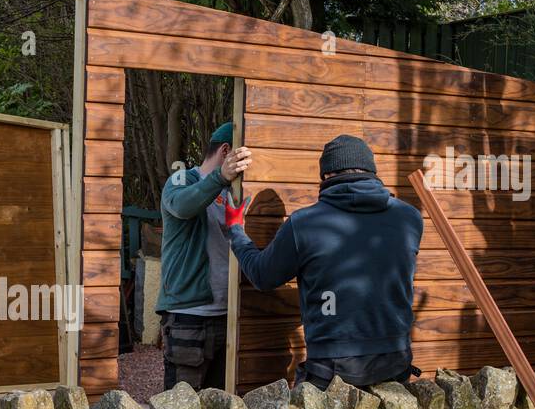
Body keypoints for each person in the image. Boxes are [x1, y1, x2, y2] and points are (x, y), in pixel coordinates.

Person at [224, 134, 423, 390]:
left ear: (326, 176)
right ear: (371, 172)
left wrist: (235, 231)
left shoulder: (304, 223)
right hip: (396, 363)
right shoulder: (409, 218)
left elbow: (263, 275)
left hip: (332, 370)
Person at [155, 122, 252, 391]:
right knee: (180, 408)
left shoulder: (233, 192)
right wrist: (220, 178)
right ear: (226, 151)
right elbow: (182, 206)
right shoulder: (182, 178)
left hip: (227, 315)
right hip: (188, 315)